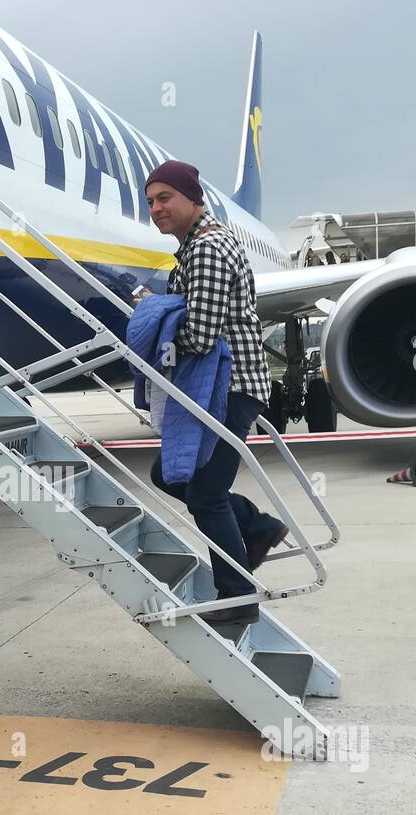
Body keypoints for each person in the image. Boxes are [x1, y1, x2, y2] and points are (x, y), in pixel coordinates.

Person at [143, 161, 288, 627]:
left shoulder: (206, 249)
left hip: (232, 387)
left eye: (165, 198)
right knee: (171, 475)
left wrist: (156, 323)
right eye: (150, 202)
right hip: (218, 388)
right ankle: (258, 527)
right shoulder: (194, 248)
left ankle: (237, 598)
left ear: (192, 199)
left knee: (205, 494)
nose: (156, 209)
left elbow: (202, 337)